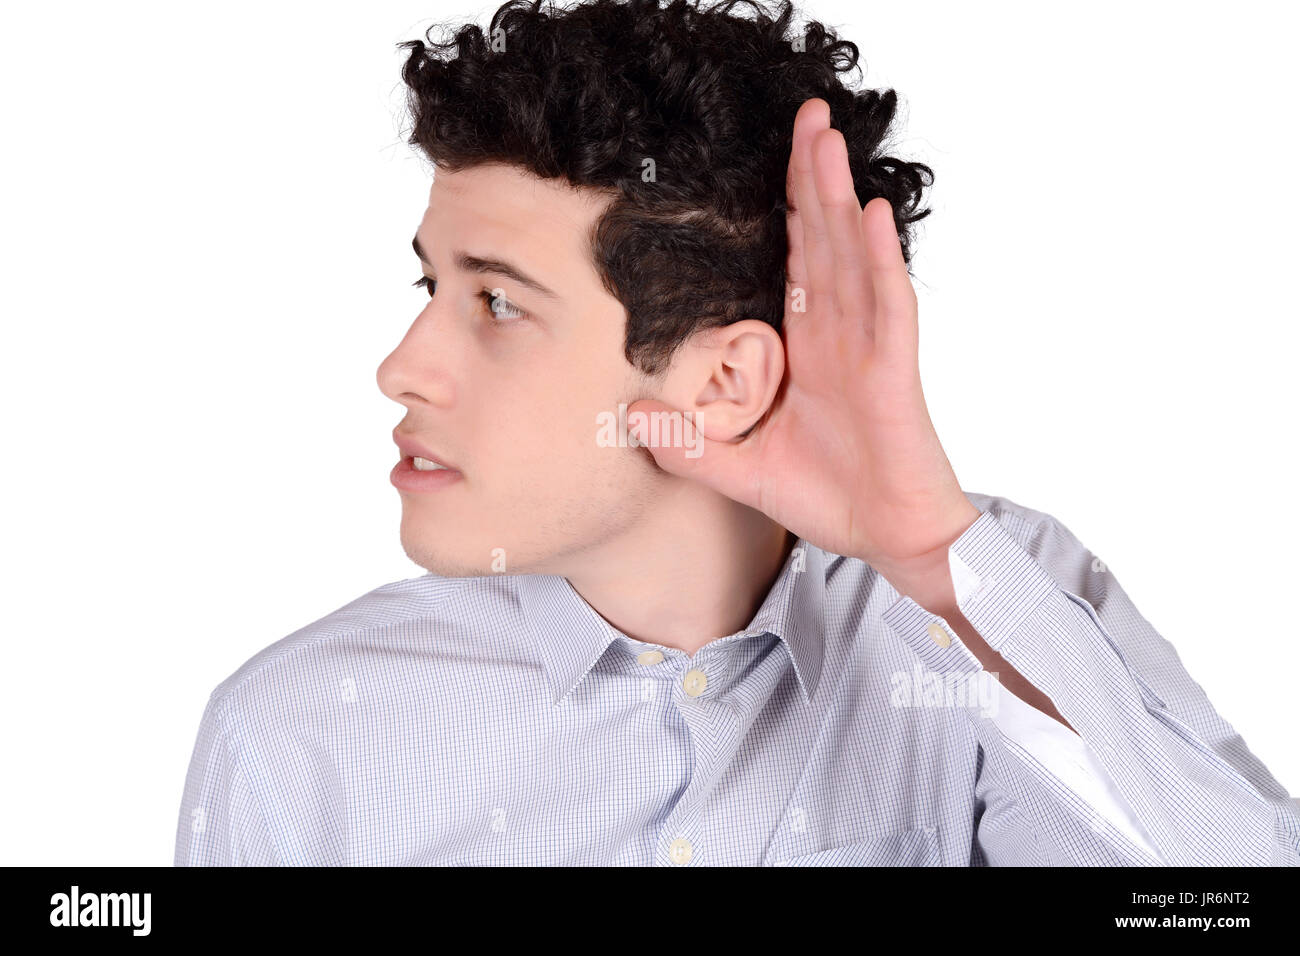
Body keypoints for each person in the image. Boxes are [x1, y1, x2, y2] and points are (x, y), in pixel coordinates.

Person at [174, 0, 1300, 866]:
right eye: (430, 285)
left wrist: (930, 557)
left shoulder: (982, 618)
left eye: (498, 302)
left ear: (723, 379)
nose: (401, 366)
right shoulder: (298, 733)